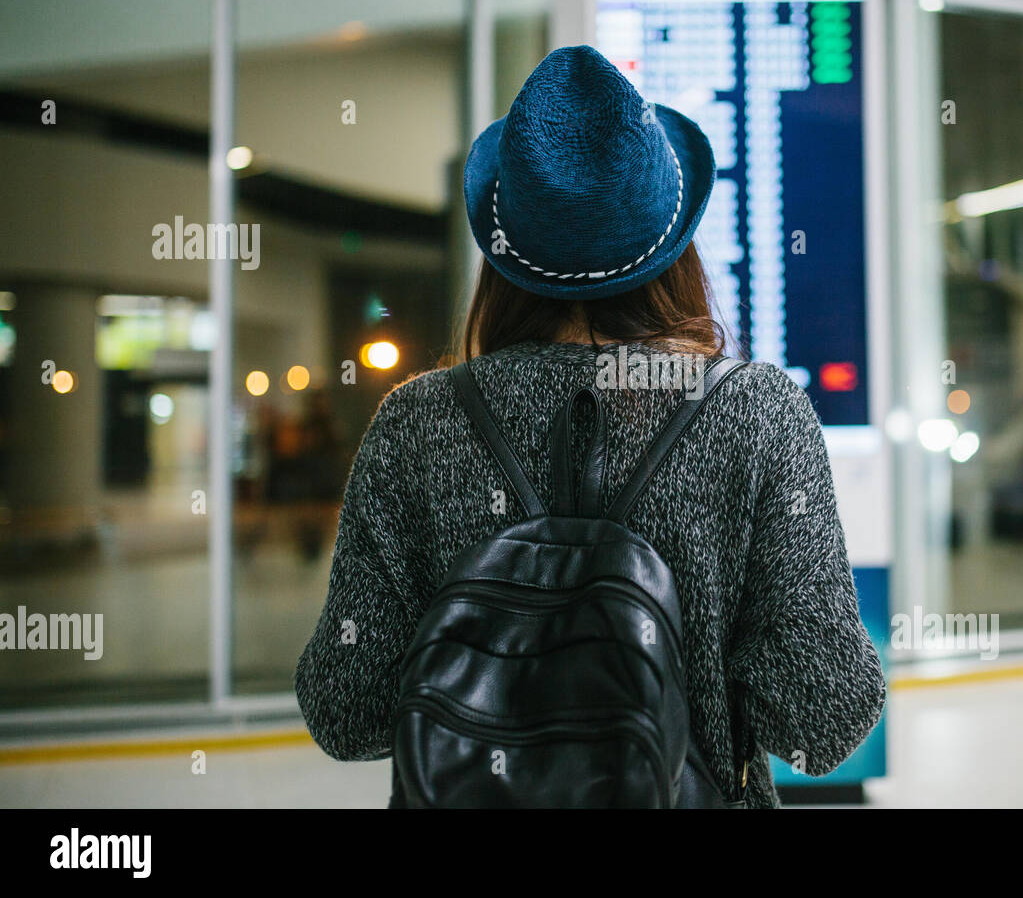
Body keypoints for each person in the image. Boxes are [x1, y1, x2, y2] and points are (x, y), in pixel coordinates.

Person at [294, 45, 885, 808]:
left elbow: (347, 712)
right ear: (675, 246)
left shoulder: (415, 421)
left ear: (502, 257)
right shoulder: (756, 411)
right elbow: (825, 713)